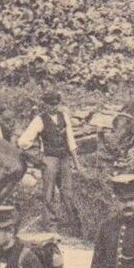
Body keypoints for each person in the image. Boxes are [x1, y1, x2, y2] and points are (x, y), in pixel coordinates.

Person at [15, 89, 81, 229]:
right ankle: (50, 224)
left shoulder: (64, 116)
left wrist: (77, 163)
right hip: (49, 159)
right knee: (49, 191)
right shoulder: (39, 120)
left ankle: (72, 223)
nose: (54, 107)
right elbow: (23, 141)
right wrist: (36, 154)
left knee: (67, 191)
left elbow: (71, 140)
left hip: (64, 158)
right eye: (51, 104)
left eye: (56, 104)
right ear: (45, 105)